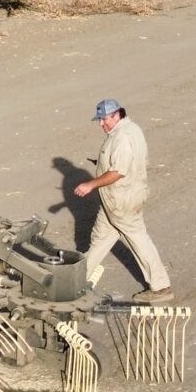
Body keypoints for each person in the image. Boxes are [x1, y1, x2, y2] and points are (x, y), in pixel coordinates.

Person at [73, 98, 173, 302]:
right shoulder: (130, 129)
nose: (101, 124)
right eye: (99, 120)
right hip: (115, 200)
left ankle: (161, 287)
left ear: (117, 114)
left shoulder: (123, 137)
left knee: (138, 239)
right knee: (100, 238)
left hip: (122, 200)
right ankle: (76, 281)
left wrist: (91, 184)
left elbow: (118, 171)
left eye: (104, 119)